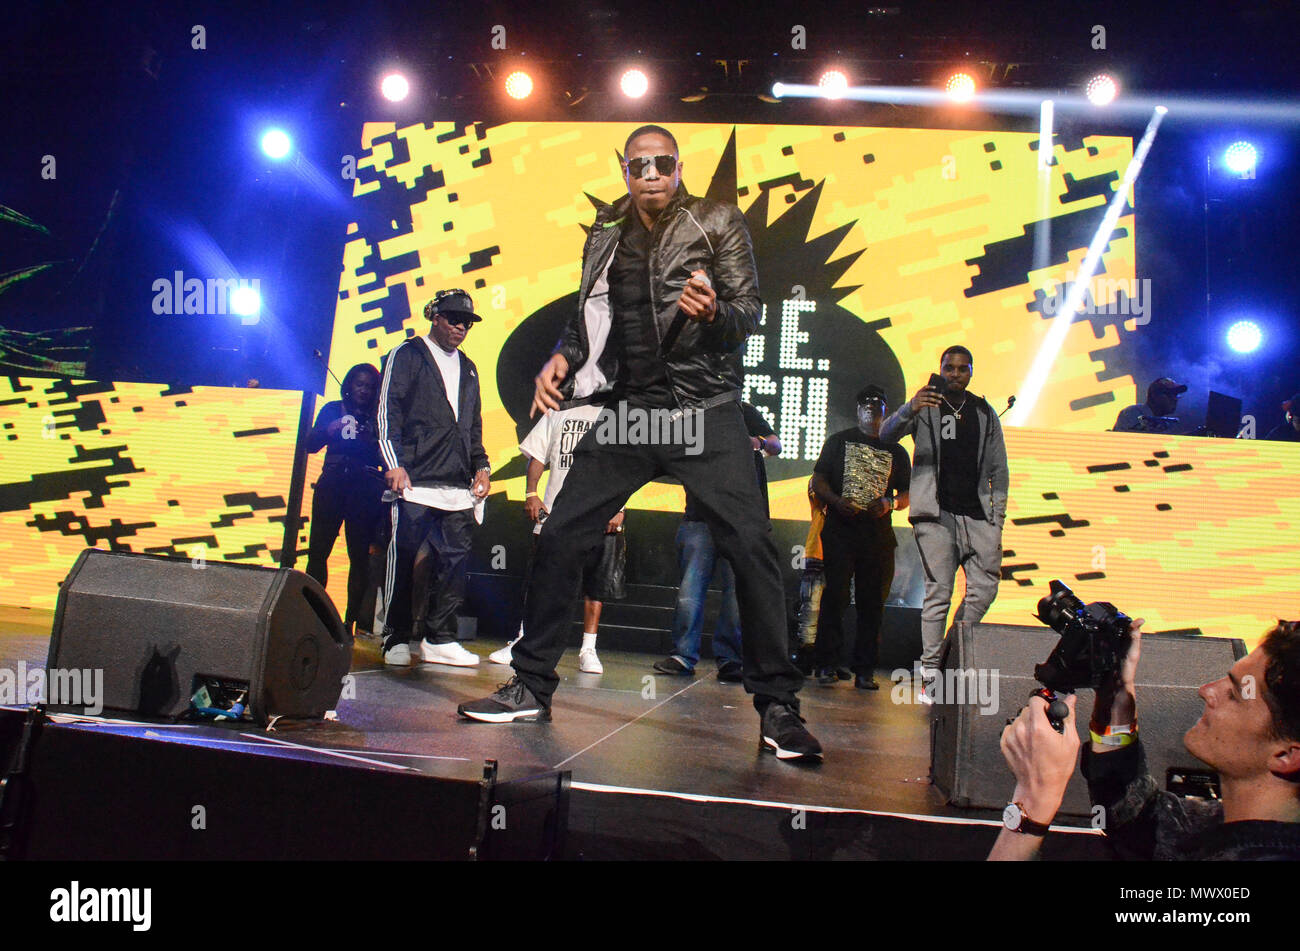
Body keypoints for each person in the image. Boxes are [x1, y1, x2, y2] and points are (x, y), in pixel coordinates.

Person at [458, 124, 822, 762]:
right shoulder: (605, 230)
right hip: (632, 413)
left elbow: (748, 312)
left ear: (679, 167)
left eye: (662, 164)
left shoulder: (717, 221)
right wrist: (561, 360)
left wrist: (714, 313)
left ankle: (779, 708)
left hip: (703, 412)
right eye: (638, 165)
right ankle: (531, 684)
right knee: (564, 534)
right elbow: (585, 319)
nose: (651, 174)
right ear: (623, 170)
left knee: (754, 548)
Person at [989, 617, 1300, 860]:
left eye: (1234, 694)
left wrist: (1032, 802)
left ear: (1286, 755)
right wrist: (1116, 699)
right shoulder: (1235, 827)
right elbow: (1138, 819)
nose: (1206, 691)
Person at [879, 345, 1008, 700]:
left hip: (978, 515)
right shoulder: (926, 405)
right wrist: (911, 407)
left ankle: (952, 654)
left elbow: (999, 470)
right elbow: (886, 435)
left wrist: (997, 519)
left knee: (985, 589)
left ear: (971, 372)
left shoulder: (984, 412)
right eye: (948, 368)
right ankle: (932, 678)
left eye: (961, 369)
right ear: (940, 369)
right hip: (936, 514)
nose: (954, 374)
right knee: (939, 593)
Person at [376, 288, 491, 668]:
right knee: (404, 557)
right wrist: (393, 462)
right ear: (435, 317)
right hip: (414, 481)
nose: (461, 326)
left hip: (457, 486)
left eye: (467, 322)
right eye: (454, 318)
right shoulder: (407, 354)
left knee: (454, 562)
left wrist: (482, 467)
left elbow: (472, 426)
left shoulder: (470, 367)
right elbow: (387, 410)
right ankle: (395, 635)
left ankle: (440, 638)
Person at [490, 399, 625, 674]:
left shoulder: (615, 414)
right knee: (539, 582)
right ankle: (521, 640)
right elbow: (538, 456)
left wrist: (620, 508)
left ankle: (588, 649)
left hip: (597, 512)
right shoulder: (558, 412)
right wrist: (531, 493)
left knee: (593, 586)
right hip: (555, 512)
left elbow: (624, 467)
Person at [653, 401, 779, 683]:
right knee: (690, 590)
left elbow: (775, 444)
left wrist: (754, 441)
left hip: (742, 521)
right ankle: (682, 655)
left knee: (736, 595)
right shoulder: (694, 416)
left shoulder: (745, 411)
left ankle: (731, 660)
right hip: (701, 518)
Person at [811, 385, 911, 690]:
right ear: (857, 410)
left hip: (878, 537)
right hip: (840, 531)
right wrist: (836, 501)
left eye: (878, 403)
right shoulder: (839, 441)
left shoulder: (897, 450)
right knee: (835, 599)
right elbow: (819, 479)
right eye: (865, 403)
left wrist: (890, 503)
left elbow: (908, 492)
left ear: (886, 410)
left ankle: (864, 670)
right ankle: (826, 664)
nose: (871, 407)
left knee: (872, 605)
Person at [304, 363, 385, 637]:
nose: (363, 390)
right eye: (358, 384)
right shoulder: (332, 409)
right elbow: (309, 444)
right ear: (349, 385)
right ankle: (313, 614)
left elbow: (389, 458)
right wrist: (330, 429)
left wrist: (372, 440)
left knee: (359, 557)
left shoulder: (379, 416)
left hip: (364, 489)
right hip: (333, 483)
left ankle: (350, 622)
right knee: (318, 551)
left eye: (369, 386)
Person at [791, 479, 827, 676]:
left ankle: (827, 662)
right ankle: (806, 657)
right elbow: (816, 491)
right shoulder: (818, 481)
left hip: (841, 555)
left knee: (831, 613)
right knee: (810, 611)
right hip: (817, 553)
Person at [1112, 377, 1190, 434]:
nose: (1175, 399)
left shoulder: (1165, 423)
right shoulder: (1133, 412)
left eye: (1176, 395)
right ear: (1155, 395)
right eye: (1170, 394)